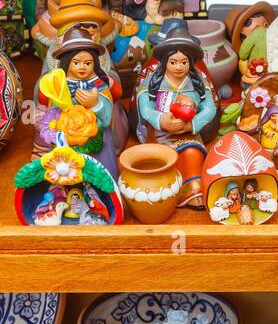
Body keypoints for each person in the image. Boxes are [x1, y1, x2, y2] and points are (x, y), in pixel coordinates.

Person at [135, 22, 219, 208]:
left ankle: (192, 190)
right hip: (159, 133)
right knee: (162, 160)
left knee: (192, 153)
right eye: (173, 62)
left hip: (188, 133)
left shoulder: (198, 82)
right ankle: (165, 191)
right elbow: (144, 107)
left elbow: (210, 108)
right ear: (165, 62)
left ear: (190, 62)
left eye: (184, 62)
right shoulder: (152, 82)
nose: (179, 67)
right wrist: (162, 120)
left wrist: (191, 125)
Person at [35, 26, 126, 177]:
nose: (82, 67)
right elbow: (53, 114)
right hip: (67, 141)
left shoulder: (99, 85)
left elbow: (107, 119)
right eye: (76, 63)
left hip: (97, 142)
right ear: (67, 62)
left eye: (88, 63)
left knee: (100, 172)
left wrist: (95, 104)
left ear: (94, 63)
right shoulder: (59, 85)